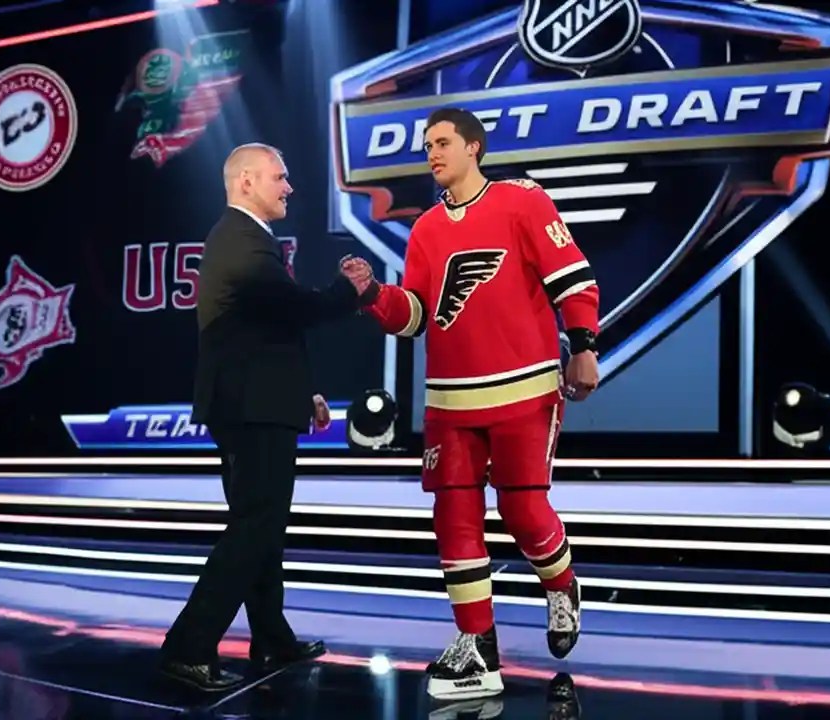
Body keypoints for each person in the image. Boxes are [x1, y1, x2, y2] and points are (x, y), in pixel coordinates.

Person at [341, 108, 601, 701]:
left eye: (442, 142)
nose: (431, 153)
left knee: (523, 512)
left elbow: (572, 277)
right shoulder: (426, 229)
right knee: (452, 518)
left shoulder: (523, 202)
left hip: (525, 387)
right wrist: (374, 296)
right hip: (450, 401)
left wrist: (583, 346)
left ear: (474, 147)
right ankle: (477, 646)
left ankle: (561, 585)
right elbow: (416, 317)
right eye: (426, 144)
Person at [159, 143, 364, 692]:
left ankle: (271, 638)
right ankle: (187, 648)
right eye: (281, 176)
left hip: (260, 402)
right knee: (254, 527)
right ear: (247, 181)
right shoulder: (240, 239)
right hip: (250, 409)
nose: (289, 187)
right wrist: (351, 291)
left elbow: (269, 329)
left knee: (263, 528)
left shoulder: (246, 239)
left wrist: (307, 393)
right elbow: (296, 307)